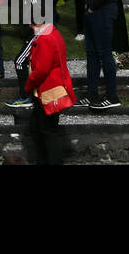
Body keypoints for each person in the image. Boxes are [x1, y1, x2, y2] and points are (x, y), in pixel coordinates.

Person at [22, 16, 75, 164]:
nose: (31, 28)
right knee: (41, 128)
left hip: (47, 91)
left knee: (47, 131)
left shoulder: (44, 39)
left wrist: (28, 86)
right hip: (52, 89)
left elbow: (41, 70)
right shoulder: (54, 33)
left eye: (31, 25)